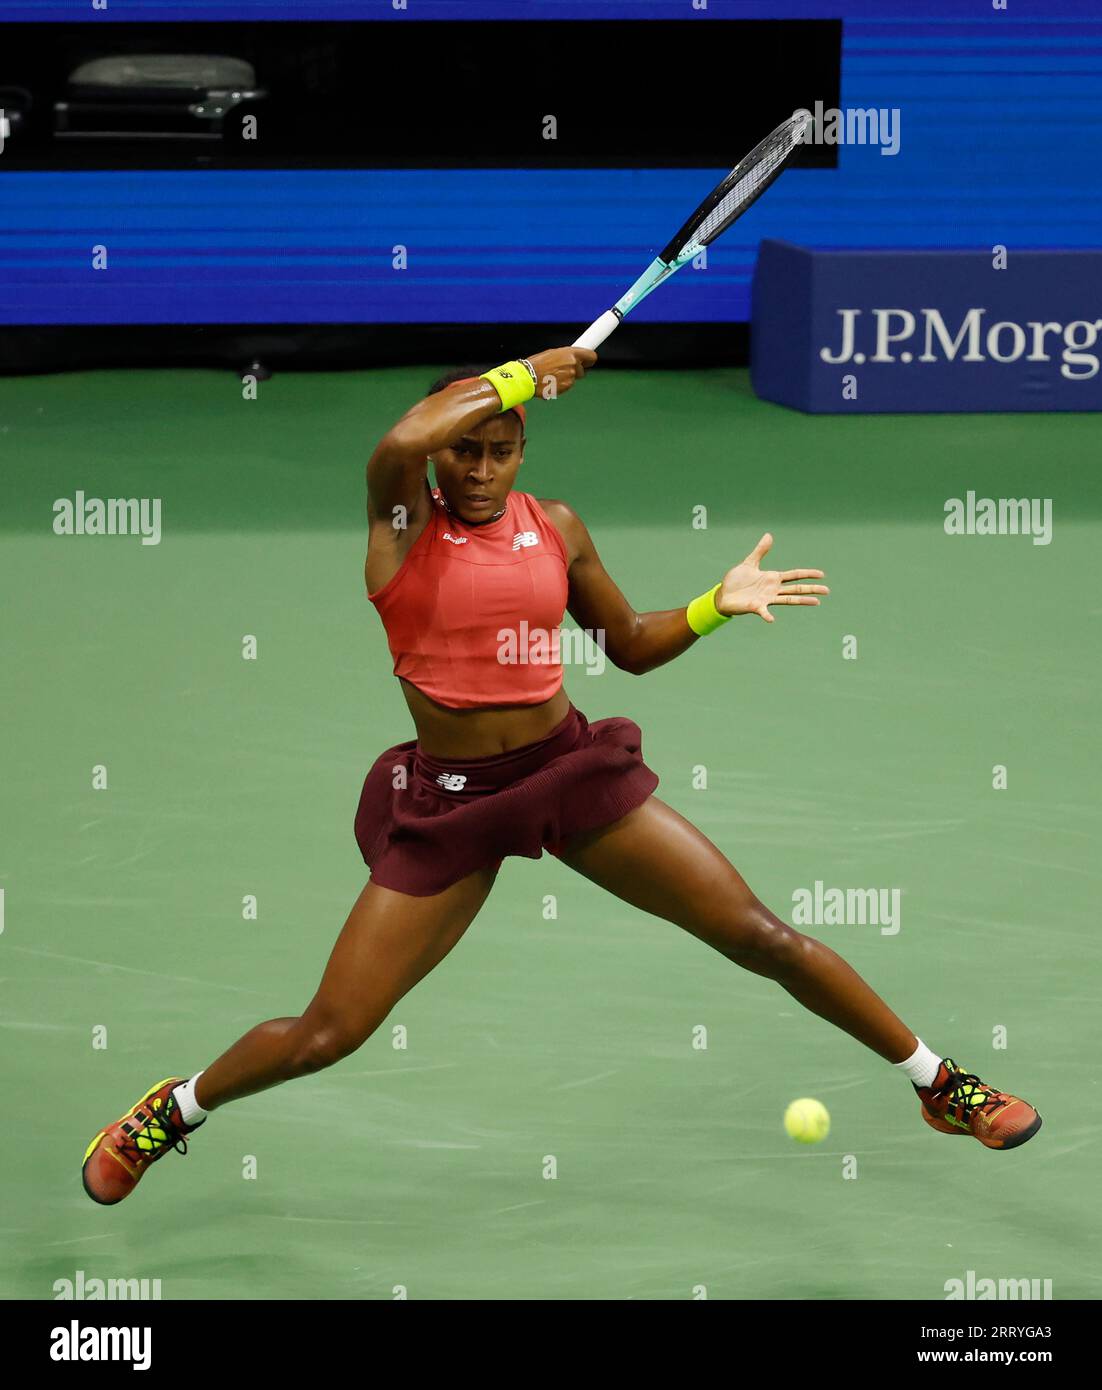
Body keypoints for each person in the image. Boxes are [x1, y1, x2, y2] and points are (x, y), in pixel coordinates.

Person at [82, 347, 1041, 1205]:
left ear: (525, 452)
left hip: (567, 773)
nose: (483, 469)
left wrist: (716, 603)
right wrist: (516, 375)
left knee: (761, 935)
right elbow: (394, 441)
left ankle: (939, 1085)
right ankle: (174, 1110)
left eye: (503, 450)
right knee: (331, 1031)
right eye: (466, 449)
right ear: (436, 455)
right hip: (451, 809)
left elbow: (626, 647)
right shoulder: (401, 519)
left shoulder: (559, 529)